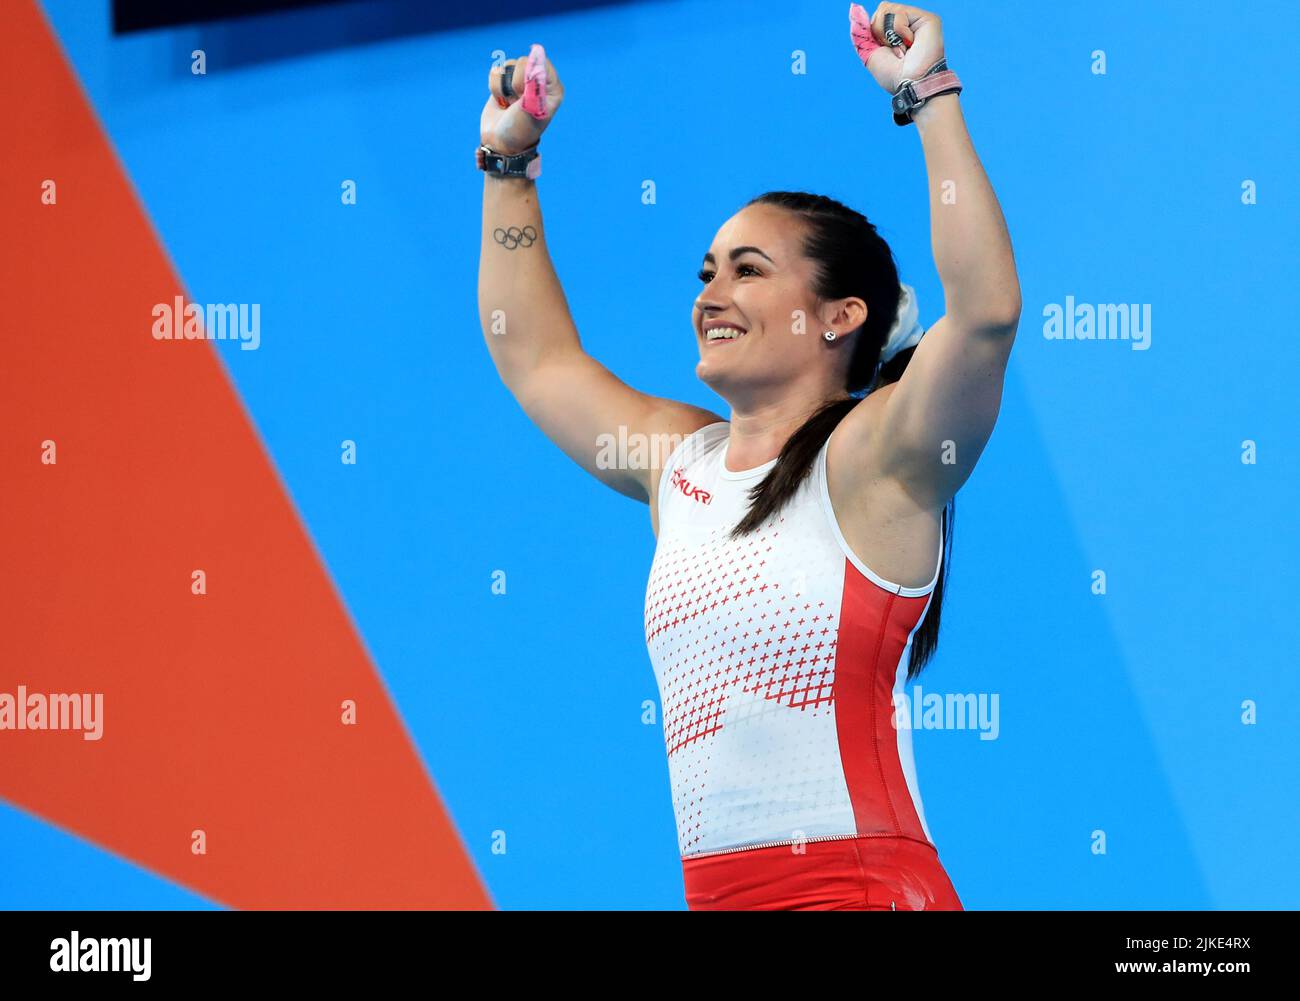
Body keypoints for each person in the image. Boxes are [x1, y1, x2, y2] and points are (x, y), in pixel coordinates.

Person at [476, 3, 1020, 910]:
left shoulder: (879, 455)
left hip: (858, 891)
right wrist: (508, 164)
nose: (711, 295)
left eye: (749, 270)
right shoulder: (680, 467)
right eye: (707, 272)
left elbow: (989, 314)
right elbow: (533, 358)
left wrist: (928, 91)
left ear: (841, 316)